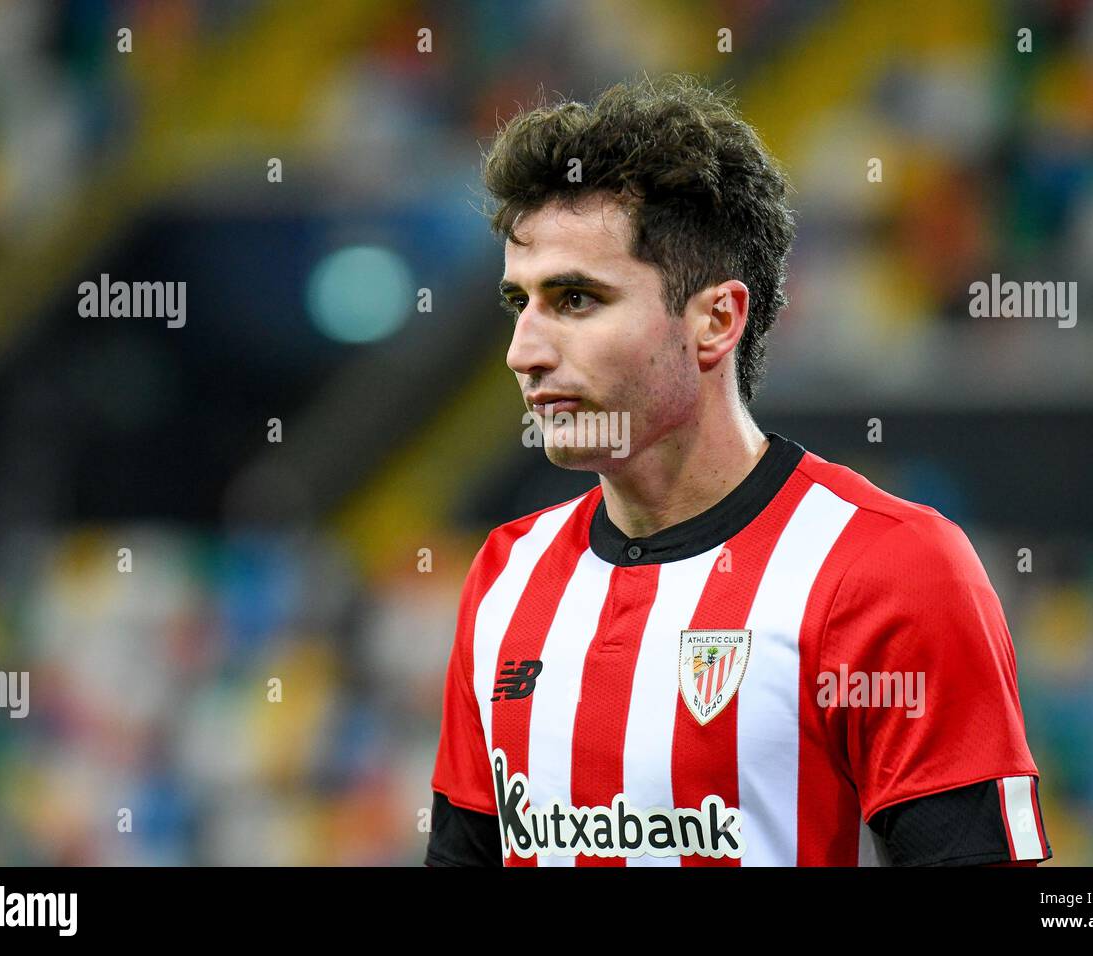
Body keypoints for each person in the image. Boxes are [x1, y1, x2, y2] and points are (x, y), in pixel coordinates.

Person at [425, 74, 1049, 867]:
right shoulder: (504, 575)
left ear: (716, 320)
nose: (525, 352)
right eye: (522, 303)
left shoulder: (891, 570)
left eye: (576, 299)